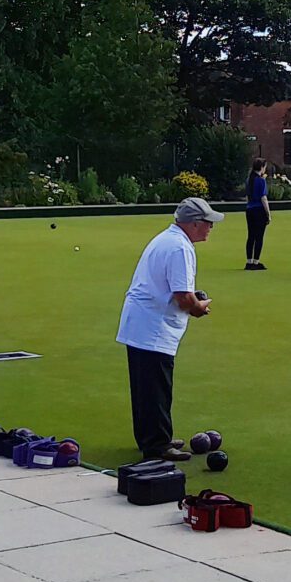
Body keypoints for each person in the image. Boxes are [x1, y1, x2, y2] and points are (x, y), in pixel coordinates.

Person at [116, 197, 221, 461]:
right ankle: (157, 445)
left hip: (143, 322)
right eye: (208, 222)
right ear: (194, 224)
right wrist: (198, 308)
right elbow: (183, 296)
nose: (211, 227)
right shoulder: (179, 248)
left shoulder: (168, 239)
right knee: (155, 387)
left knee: (147, 386)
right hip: (152, 326)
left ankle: (152, 436)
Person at [243, 158, 271, 271]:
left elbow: (247, 197)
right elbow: (263, 198)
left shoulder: (248, 180)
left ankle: (249, 261)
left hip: (250, 209)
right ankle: (256, 261)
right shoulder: (261, 180)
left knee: (251, 236)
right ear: (262, 167)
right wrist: (268, 214)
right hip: (259, 210)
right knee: (259, 237)